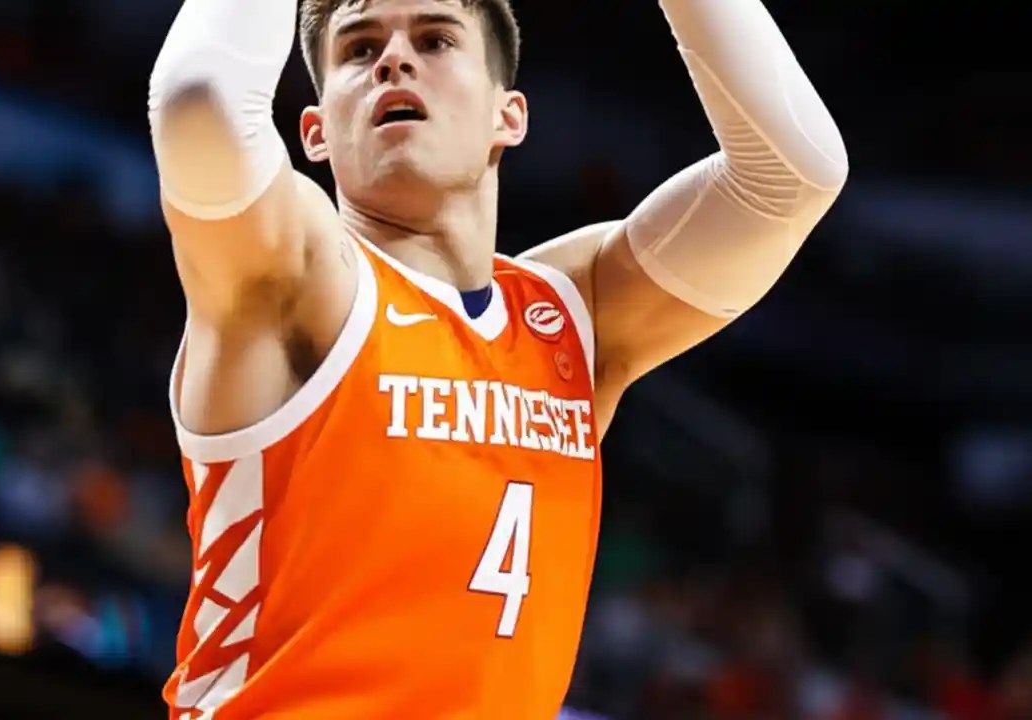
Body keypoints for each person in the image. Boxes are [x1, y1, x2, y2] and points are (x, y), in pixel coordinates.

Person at [147, 0, 848, 717]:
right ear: (317, 133)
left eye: (435, 38)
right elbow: (198, 102)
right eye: (358, 50)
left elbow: (789, 177)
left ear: (507, 116)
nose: (393, 58)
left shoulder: (575, 318)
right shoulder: (297, 283)